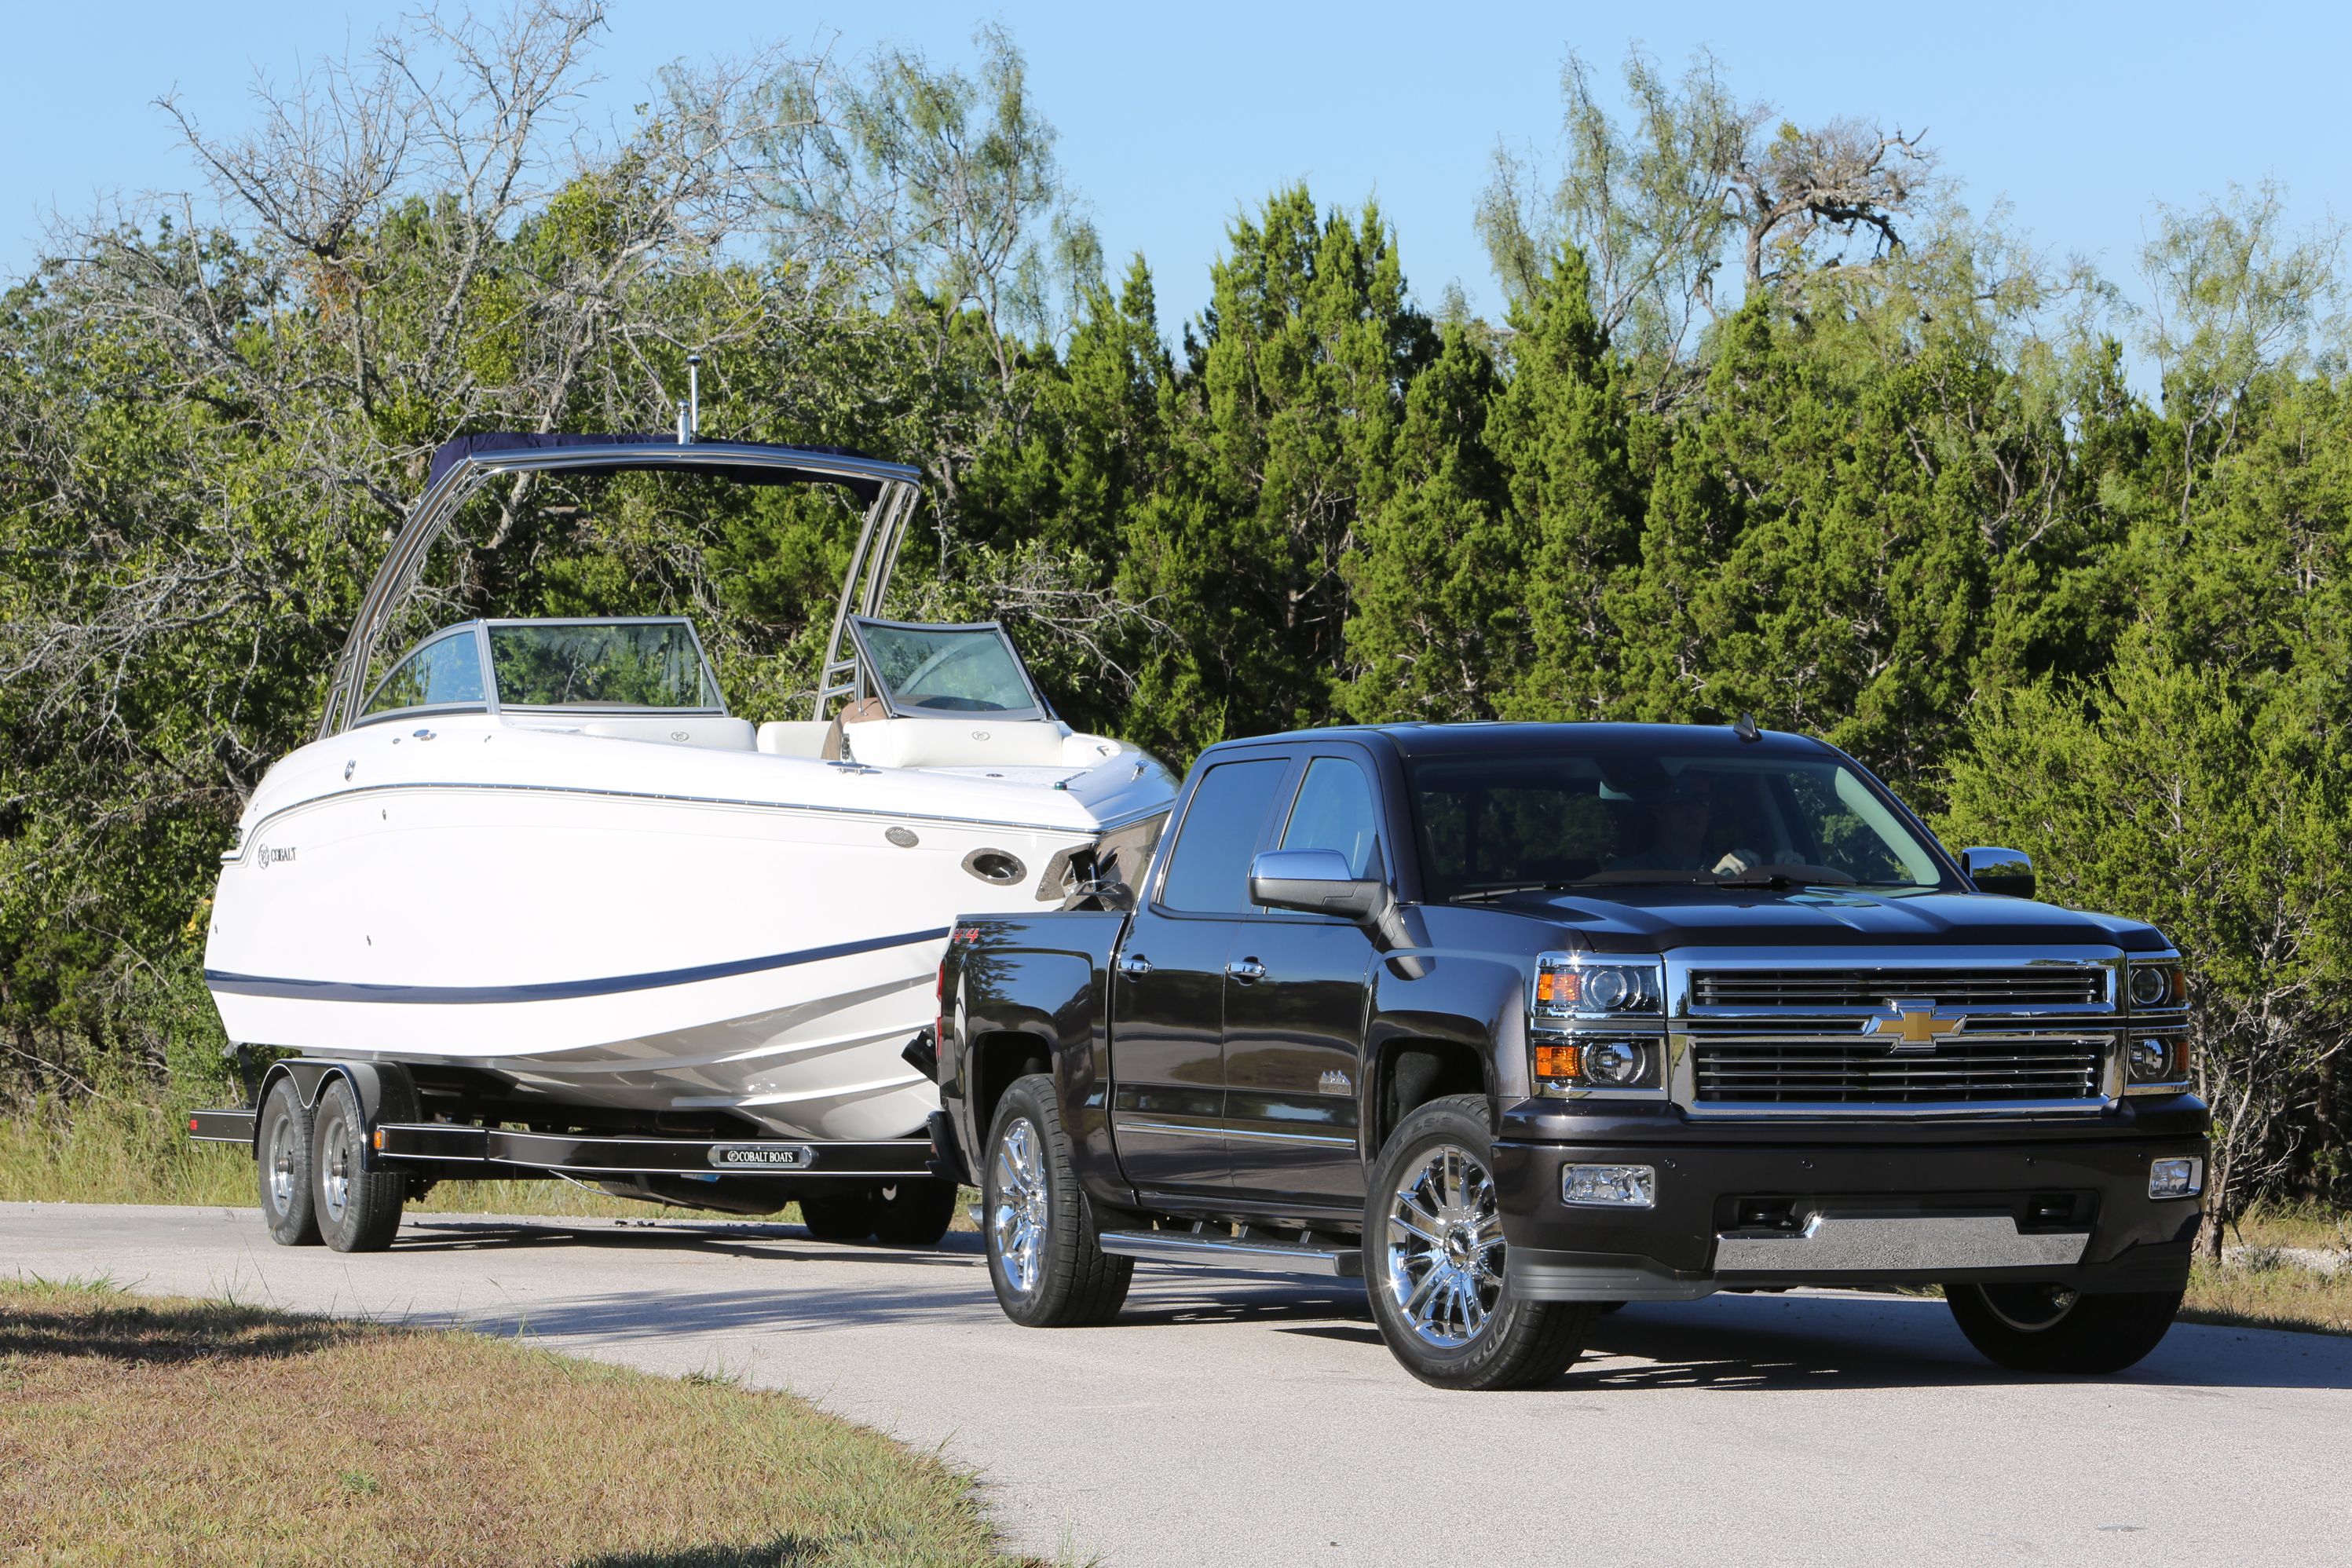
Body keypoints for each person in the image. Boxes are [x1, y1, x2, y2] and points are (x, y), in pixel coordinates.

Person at [1610, 770, 1763, 876]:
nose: (1694, 810)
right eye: (1681, 802)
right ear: (1659, 810)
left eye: (1702, 801)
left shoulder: (1734, 866)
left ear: (1711, 812)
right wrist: (1714, 879)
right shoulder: (1628, 874)